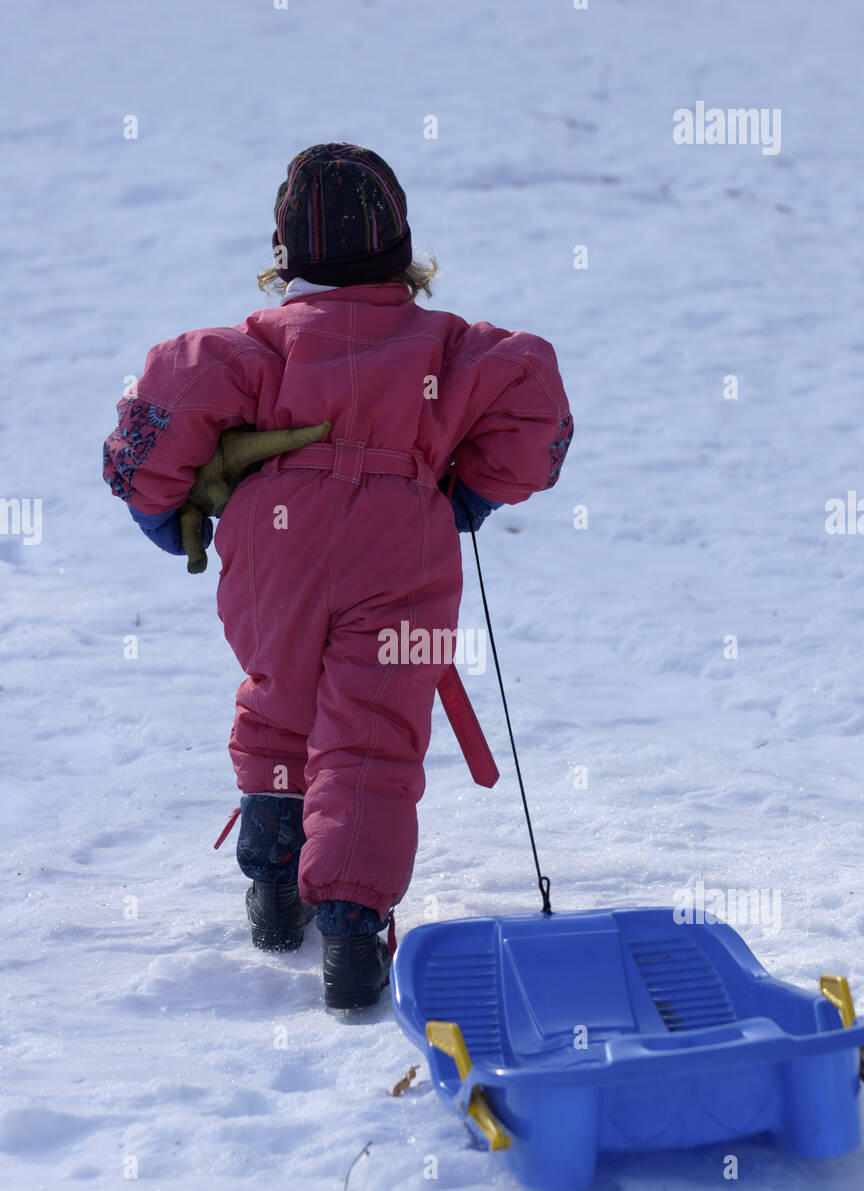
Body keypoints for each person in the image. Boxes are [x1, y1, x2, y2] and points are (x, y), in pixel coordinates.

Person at [103, 142, 572, 1009]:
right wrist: (470, 492)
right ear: (404, 259)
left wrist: (164, 513)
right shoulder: (450, 347)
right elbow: (536, 401)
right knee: (371, 732)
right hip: (399, 546)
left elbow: (154, 414)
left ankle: (274, 887)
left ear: (285, 264)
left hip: (271, 549)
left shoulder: (254, 349)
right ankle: (353, 934)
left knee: (279, 695)